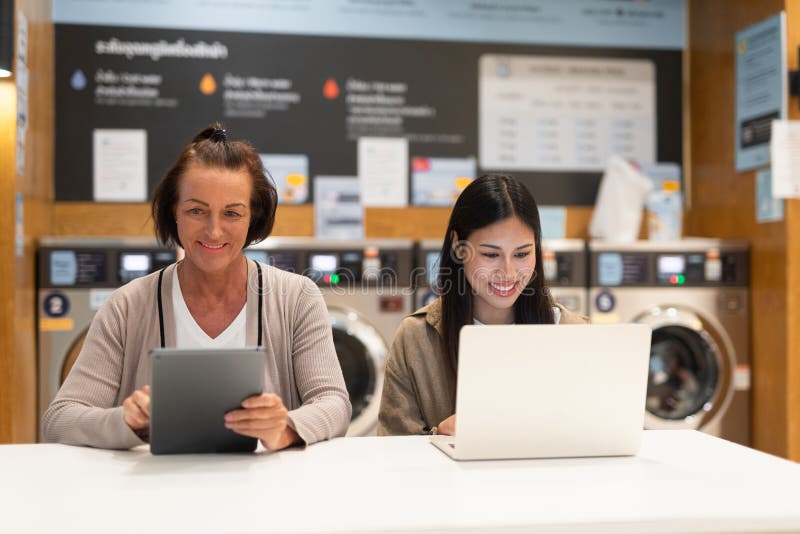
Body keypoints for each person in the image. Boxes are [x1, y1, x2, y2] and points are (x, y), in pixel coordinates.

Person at [42, 123, 351, 450]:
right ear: (173, 212)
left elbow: (334, 404)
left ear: (253, 218)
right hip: (154, 492)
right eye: (196, 211)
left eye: (232, 213)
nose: (214, 231)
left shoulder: (297, 298)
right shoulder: (128, 305)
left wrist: (286, 427)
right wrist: (125, 420)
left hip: (266, 493)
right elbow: (60, 419)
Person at [378, 174, 588, 436]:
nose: (508, 273)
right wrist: (438, 436)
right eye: (491, 254)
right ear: (458, 247)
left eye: (522, 253)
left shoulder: (574, 333)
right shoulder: (416, 340)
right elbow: (392, 458)